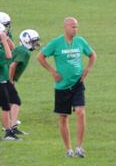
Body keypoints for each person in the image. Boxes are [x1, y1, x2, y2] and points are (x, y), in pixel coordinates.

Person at [39, 16, 95, 158]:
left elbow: (92, 55)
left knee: (80, 112)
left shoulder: (80, 41)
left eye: (76, 27)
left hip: (77, 84)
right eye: (73, 27)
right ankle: (68, 149)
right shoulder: (56, 43)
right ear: (65, 27)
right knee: (63, 117)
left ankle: (79, 147)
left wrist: (87, 69)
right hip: (62, 86)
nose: (75, 29)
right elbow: (40, 57)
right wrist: (53, 71)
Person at [7, 23, 35, 138]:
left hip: (2, 76)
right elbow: (12, 66)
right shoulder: (24, 52)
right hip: (6, 78)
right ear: (27, 41)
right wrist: (10, 80)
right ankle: (12, 127)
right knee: (16, 102)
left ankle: (10, 125)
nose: (36, 43)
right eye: (34, 41)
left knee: (8, 102)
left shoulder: (21, 49)